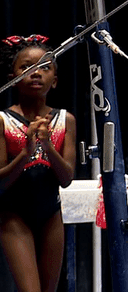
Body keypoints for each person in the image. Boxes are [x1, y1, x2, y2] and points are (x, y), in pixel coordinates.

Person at [0, 34, 76, 292]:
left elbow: (66, 180)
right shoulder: (2, 120)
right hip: (13, 217)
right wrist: (27, 151)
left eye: (44, 67)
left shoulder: (66, 120)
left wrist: (48, 148)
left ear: (54, 81)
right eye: (26, 67)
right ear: (13, 78)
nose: (36, 73)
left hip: (50, 216)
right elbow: (1, 183)